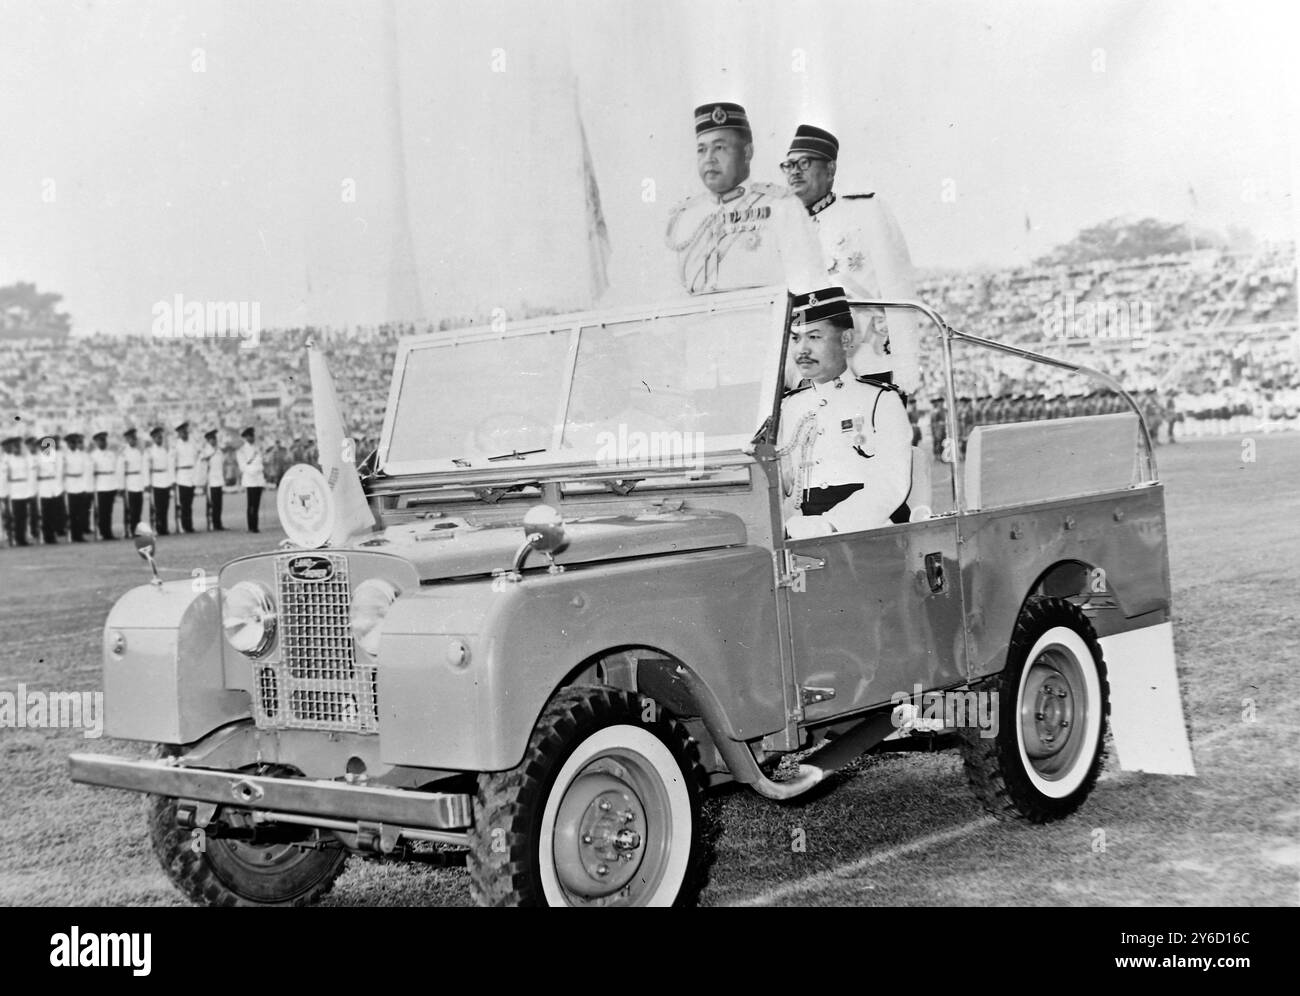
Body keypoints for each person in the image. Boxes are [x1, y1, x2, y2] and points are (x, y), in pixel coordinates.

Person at [781, 124, 921, 398]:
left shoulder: (866, 211)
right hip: (806, 373)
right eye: (788, 165)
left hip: (867, 363)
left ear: (830, 169)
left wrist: (906, 368)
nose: (795, 171)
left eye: (805, 162)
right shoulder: (784, 231)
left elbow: (898, 289)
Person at [778, 288, 912, 539]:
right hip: (805, 532)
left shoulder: (880, 400)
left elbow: (890, 486)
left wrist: (830, 525)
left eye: (814, 337)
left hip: (868, 531)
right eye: (795, 339)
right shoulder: (789, 407)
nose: (802, 350)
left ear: (847, 339)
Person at [665, 102, 825, 296]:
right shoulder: (684, 217)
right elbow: (670, 298)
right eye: (701, 149)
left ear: (747, 152)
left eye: (720, 148)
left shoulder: (782, 206)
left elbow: (809, 287)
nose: (709, 158)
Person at [3, 436, 33, 546]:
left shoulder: (24, 459)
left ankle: (22, 538)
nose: (16, 449)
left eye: (18, 446)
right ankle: (13, 538)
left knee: (23, 515)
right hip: (13, 489)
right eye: (14, 446)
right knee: (14, 515)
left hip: (23, 488)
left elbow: (29, 475)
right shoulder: (7, 460)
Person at [35, 433, 64, 544]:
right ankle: (48, 536)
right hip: (44, 486)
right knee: (46, 513)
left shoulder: (56, 456)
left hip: (54, 486)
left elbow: (59, 472)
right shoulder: (37, 458)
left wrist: (59, 487)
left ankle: (54, 533)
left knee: (54, 512)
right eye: (44, 444)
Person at [89, 430, 119, 540]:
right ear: (96, 442)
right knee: (102, 511)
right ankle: (103, 532)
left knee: (109, 510)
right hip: (100, 484)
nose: (103, 442)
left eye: (104, 440)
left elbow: (114, 469)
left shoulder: (111, 454)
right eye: (100, 441)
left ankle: (108, 532)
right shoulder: (93, 455)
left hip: (110, 483)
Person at [145, 425, 174, 535]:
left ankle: (164, 528)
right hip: (156, 480)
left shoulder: (165, 450)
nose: (159, 439)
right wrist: (147, 483)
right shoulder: (150, 451)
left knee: (165, 506)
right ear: (153, 438)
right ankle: (158, 527)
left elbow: (169, 466)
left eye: (160, 437)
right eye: (157, 437)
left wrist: (171, 481)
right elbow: (146, 468)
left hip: (165, 480)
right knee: (157, 507)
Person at [63, 432, 91, 542]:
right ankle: (74, 534)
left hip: (80, 483)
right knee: (72, 512)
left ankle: (79, 534)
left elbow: (86, 471)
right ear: (67, 444)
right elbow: (62, 472)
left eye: (75, 442)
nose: (73, 445)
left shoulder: (82, 455)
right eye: (71, 443)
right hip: (70, 484)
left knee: (81, 512)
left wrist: (85, 486)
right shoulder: (64, 456)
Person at [173, 421, 198, 533]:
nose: (184, 434)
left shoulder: (192, 443)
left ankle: (189, 525)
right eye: (182, 432)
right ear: (178, 433)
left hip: (191, 475)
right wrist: (173, 479)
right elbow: (172, 463)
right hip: (182, 475)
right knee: (184, 504)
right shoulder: (176, 445)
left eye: (186, 431)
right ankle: (185, 525)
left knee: (190, 502)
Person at [238, 426, 265, 533]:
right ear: (246, 437)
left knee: (257, 504)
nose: (252, 438)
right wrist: (255, 469)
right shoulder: (242, 451)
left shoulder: (257, 448)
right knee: (251, 504)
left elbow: (261, 462)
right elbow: (243, 467)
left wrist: (258, 469)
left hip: (258, 479)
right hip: (250, 480)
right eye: (250, 436)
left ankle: (255, 525)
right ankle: (251, 526)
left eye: (253, 436)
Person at [120, 427, 145, 538]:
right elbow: (120, 471)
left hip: (138, 482)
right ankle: (130, 530)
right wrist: (121, 486)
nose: (133, 441)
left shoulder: (139, 451)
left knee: (138, 508)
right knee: (130, 509)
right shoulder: (124, 453)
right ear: (127, 439)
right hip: (129, 482)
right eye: (130, 439)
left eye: (134, 438)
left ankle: (137, 529)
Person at [199, 428, 225, 530]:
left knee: (219, 503)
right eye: (211, 439)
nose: (214, 440)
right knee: (212, 504)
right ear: (208, 440)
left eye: (214, 438)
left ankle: (218, 523)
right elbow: (202, 463)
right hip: (211, 481)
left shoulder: (219, 450)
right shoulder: (206, 451)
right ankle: (212, 523)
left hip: (219, 480)